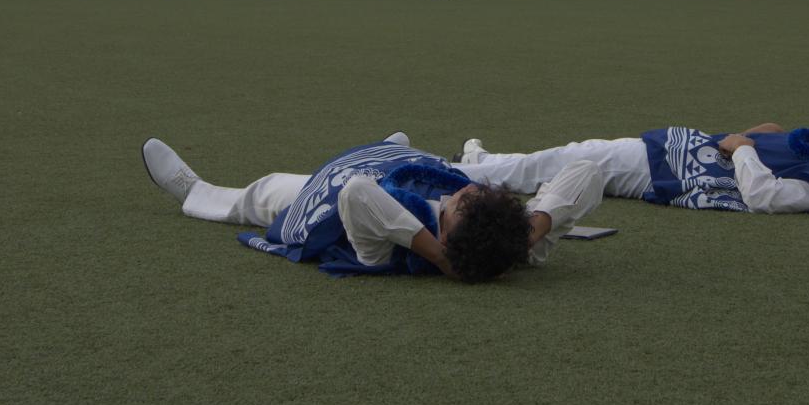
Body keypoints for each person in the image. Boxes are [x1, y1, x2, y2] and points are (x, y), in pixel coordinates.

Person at [141, 133, 604, 281]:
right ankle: (389, 149)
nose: (470, 192)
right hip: (397, 179)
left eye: (466, 204)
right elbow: (587, 171)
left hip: (330, 209)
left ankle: (197, 194)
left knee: (267, 192)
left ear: (448, 237)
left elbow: (357, 193)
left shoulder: (392, 252)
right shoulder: (511, 242)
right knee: (408, 158)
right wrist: (529, 233)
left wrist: (440, 259)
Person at [455, 124, 809, 215]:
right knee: (570, 157)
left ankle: (470, 171)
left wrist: (743, 148)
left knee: (570, 158)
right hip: (684, 155)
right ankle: (485, 165)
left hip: (676, 171)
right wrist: (761, 136)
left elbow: (766, 196)